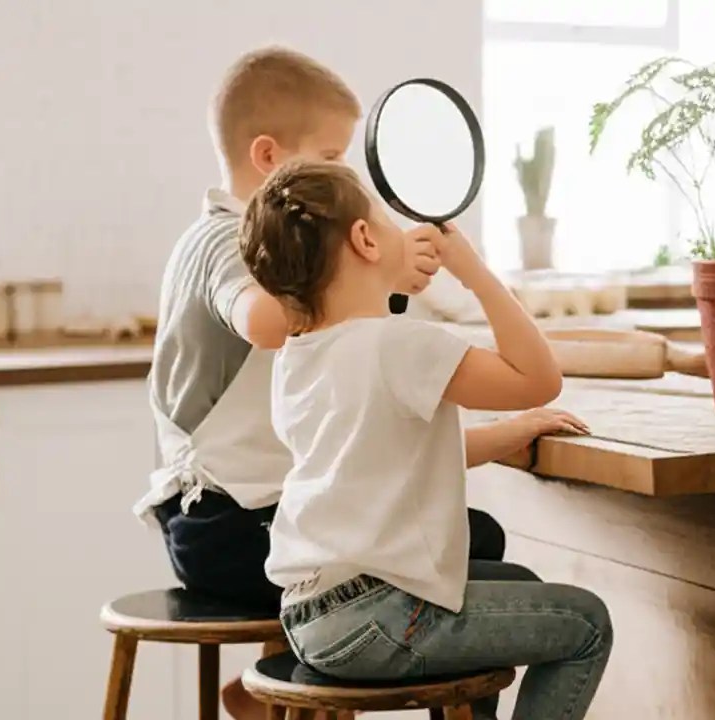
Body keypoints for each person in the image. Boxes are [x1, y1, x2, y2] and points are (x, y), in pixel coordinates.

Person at [135, 46, 584, 719]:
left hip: (258, 511)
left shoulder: (323, 332)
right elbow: (263, 320)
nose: (343, 169)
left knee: (476, 540)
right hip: (219, 521)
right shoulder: (219, 240)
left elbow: (367, 440)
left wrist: (376, 271)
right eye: (333, 155)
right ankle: (290, 668)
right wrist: (373, 268)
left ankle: (276, 675)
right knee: (459, 553)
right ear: (268, 158)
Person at [239, 160, 613, 720]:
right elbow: (539, 378)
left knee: (518, 584)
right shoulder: (399, 344)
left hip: (309, 613)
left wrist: (513, 431)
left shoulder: (297, 358)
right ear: (365, 239)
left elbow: (390, 457)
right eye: (386, 221)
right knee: (586, 623)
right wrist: (474, 271)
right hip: (380, 613)